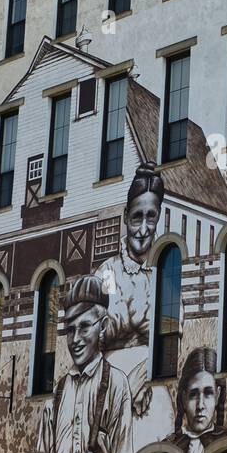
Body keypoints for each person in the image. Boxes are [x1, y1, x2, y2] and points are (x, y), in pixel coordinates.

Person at [41, 275, 134, 453]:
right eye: (70, 330)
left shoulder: (117, 384)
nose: (76, 339)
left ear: (103, 326)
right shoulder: (58, 391)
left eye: (84, 327)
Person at [94, 162, 164, 418]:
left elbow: (176, 342)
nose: (143, 229)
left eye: (151, 217)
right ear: (125, 216)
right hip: (107, 395)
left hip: (153, 389)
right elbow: (91, 339)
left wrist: (145, 374)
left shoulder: (165, 273)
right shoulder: (108, 273)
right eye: (136, 217)